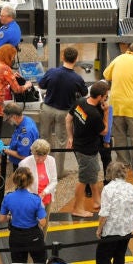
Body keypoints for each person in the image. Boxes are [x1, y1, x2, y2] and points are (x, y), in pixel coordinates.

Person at [0, 45, 33, 174]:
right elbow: (17, 89)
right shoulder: (6, 69)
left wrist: (12, 75)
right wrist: (27, 85)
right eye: (12, 57)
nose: (13, 59)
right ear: (8, 56)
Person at [38, 47, 88, 178]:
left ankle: (44, 169)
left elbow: (41, 85)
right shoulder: (77, 78)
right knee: (61, 142)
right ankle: (58, 172)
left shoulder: (52, 72)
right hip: (64, 112)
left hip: (47, 109)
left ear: (62, 57)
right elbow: (84, 93)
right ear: (76, 59)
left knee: (45, 138)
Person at [66, 81, 109, 218]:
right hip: (87, 150)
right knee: (83, 179)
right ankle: (77, 208)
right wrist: (106, 113)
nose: (106, 99)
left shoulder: (80, 102)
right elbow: (104, 131)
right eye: (105, 96)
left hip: (80, 145)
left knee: (93, 172)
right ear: (100, 97)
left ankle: (97, 201)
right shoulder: (94, 114)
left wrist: (70, 137)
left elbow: (68, 119)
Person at [0, 167, 48, 264]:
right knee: (40, 263)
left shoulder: (8, 197)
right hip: (33, 236)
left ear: (15, 180)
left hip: (16, 236)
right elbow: (43, 222)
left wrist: (11, 217)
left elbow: (2, 219)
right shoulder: (35, 199)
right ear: (30, 181)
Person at [95, 161, 133, 264]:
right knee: (120, 255)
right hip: (127, 229)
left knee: (103, 257)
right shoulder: (131, 187)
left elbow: (104, 213)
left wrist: (99, 229)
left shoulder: (108, 189)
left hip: (111, 230)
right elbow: (132, 208)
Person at [18, 139, 58, 212]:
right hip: (30, 200)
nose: (41, 159)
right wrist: (34, 198)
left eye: (44, 156)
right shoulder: (24, 163)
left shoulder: (51, 160)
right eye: (38, 156)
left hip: (46, 197)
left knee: (45, 218)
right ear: (33, 153)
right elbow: (22, 185)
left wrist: (45, 192)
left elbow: (54, 180)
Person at [1, 102, 39, 170]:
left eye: (8, 119)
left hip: (23, 166)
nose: (8, 122)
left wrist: (5, 150)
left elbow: (23, 156)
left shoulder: (26, 133)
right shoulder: (26, 119)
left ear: (14, 116)